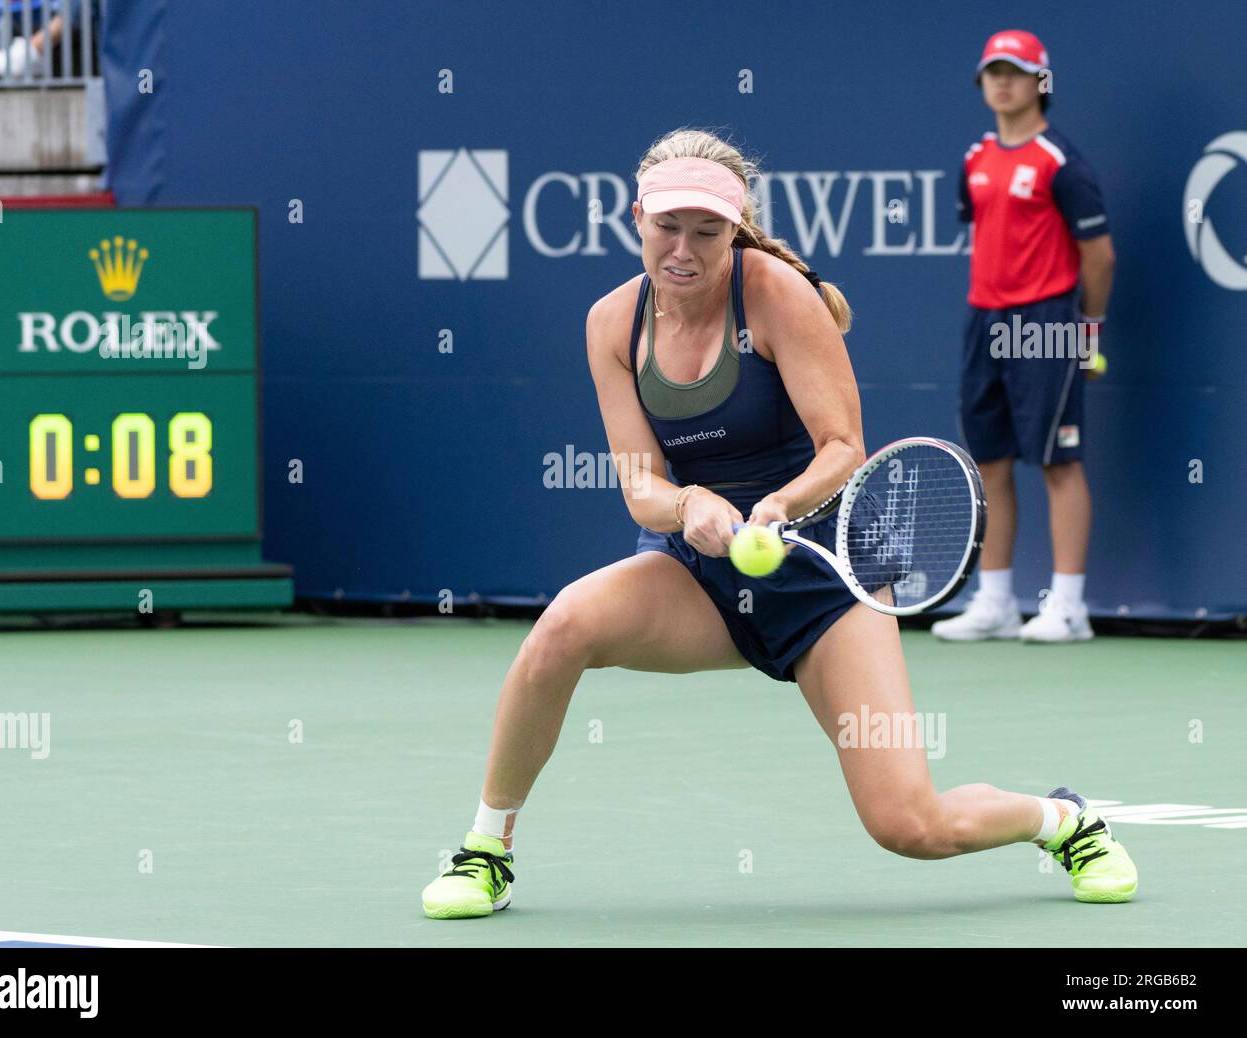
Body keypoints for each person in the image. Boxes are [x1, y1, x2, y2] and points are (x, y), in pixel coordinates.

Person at [420, 128, 1136, 920]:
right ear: (635, 220)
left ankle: (1065, 819)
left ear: (736, 228)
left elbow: (843, 448)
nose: (683, 249)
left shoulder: (776, 296)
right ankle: (487, 849)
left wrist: (778, 505)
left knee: (909, 825)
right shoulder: (609, 325)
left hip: (827, 580)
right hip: (699, 575)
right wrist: (690, 504)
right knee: (560, 629)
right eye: (667, 226)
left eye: (707, 229)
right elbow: (640, 486)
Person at [933, 30, 1115, 643]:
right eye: (992, 72)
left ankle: (1068, 606)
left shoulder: (1060, 163)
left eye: (1016, 71)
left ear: (1041, 82)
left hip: (1048, 323)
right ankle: (998, 600)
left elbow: (1101, 257)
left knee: (1058, 460)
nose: (1002, 81)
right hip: (982, 319)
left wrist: (1087, 332)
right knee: (990, 460)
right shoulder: (975, 160)